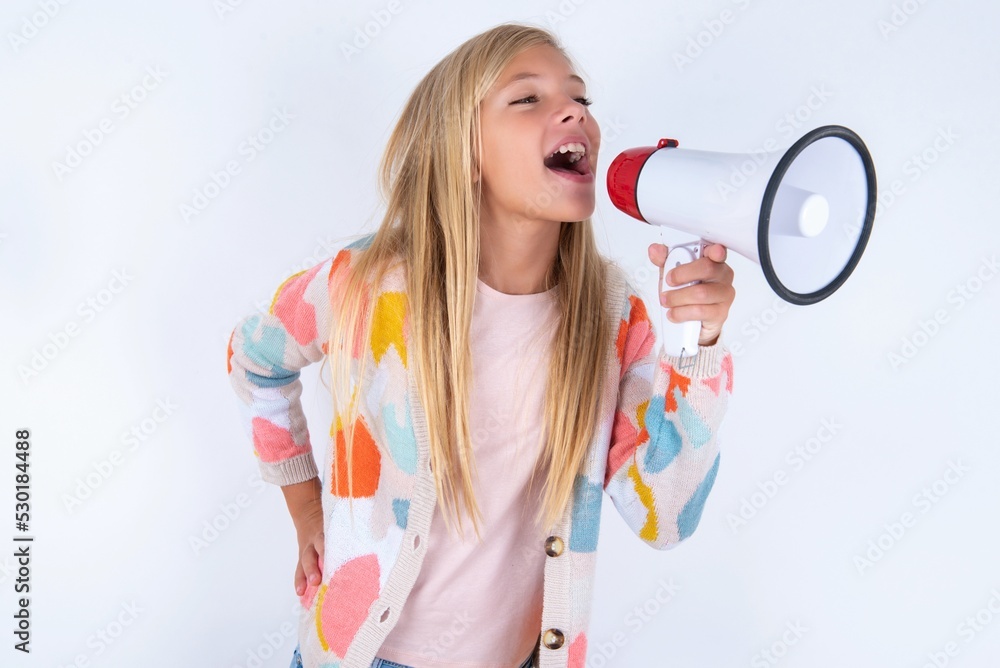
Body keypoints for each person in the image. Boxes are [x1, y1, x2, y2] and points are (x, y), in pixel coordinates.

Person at [226, 21, 735, 668]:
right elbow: (252, 356)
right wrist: (303, 504)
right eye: (528, 99)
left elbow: (668, 516)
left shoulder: (611, 317)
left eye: (580, 98)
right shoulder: (366, 284)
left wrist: (701, 347)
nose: (574, 110)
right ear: (463, 152)